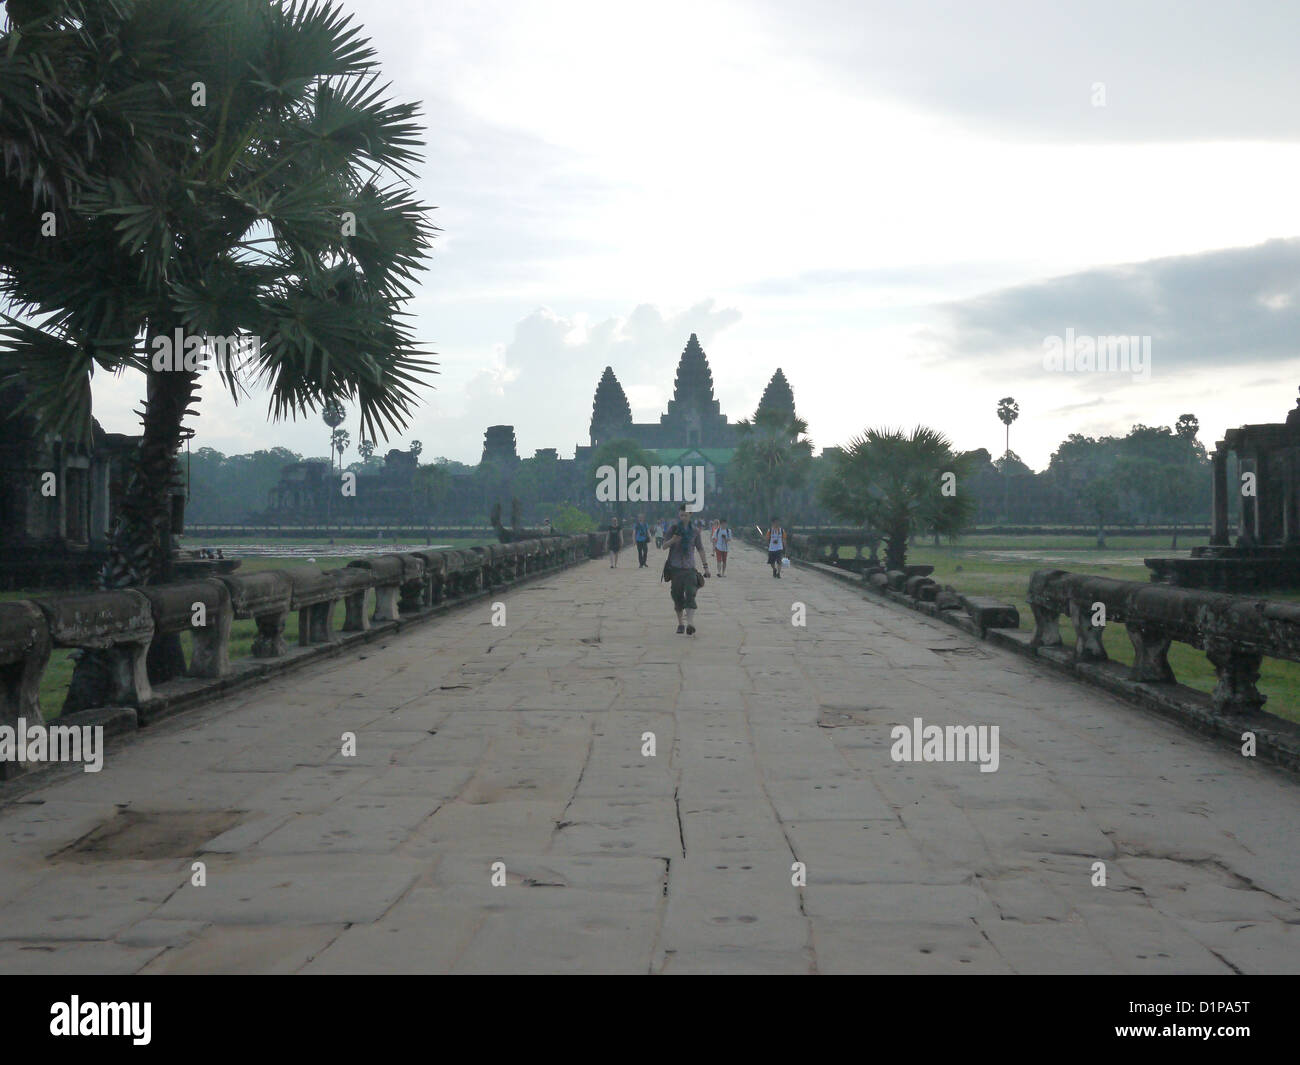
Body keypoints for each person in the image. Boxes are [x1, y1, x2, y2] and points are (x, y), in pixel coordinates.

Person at [661, 505, 709, 635]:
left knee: (690, 593)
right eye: (681, 515)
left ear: (690, 515)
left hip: (689, 569)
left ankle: (690, 623)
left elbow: (700, 549)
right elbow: (664, 546)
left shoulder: (694, 531)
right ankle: (680, 623)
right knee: (677, 597)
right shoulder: (673, 529)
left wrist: (706, 566)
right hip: (676, 569)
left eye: (686, 515)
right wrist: (673, 540)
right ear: (679, 515)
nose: (683, 517)